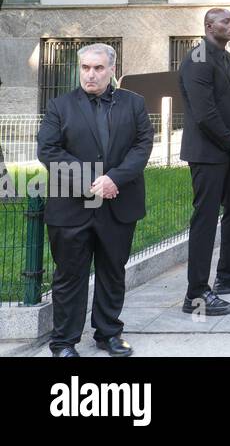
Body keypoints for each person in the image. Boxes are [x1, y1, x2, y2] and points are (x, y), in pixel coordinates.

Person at [38, 43, 153, 357]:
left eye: (98, 68)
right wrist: (92, 181)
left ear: (111, 69)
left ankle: (109, 333)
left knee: (112, 271)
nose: (91, 74)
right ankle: (63, 342)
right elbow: (48, 151)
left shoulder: (134, 103)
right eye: (85, 67)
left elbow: (142, 146)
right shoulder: (59, 106)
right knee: (69, 275)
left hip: (118, 203)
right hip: (72, 206)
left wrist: (114, 178)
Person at [178, 8, 230, 316]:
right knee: (205, 219)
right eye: (225, 21)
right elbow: (205, 113)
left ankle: (227, 276)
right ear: (208, 26)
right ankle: (195, 293)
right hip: (208, 153)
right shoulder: (198, 58)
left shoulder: (228, 58)